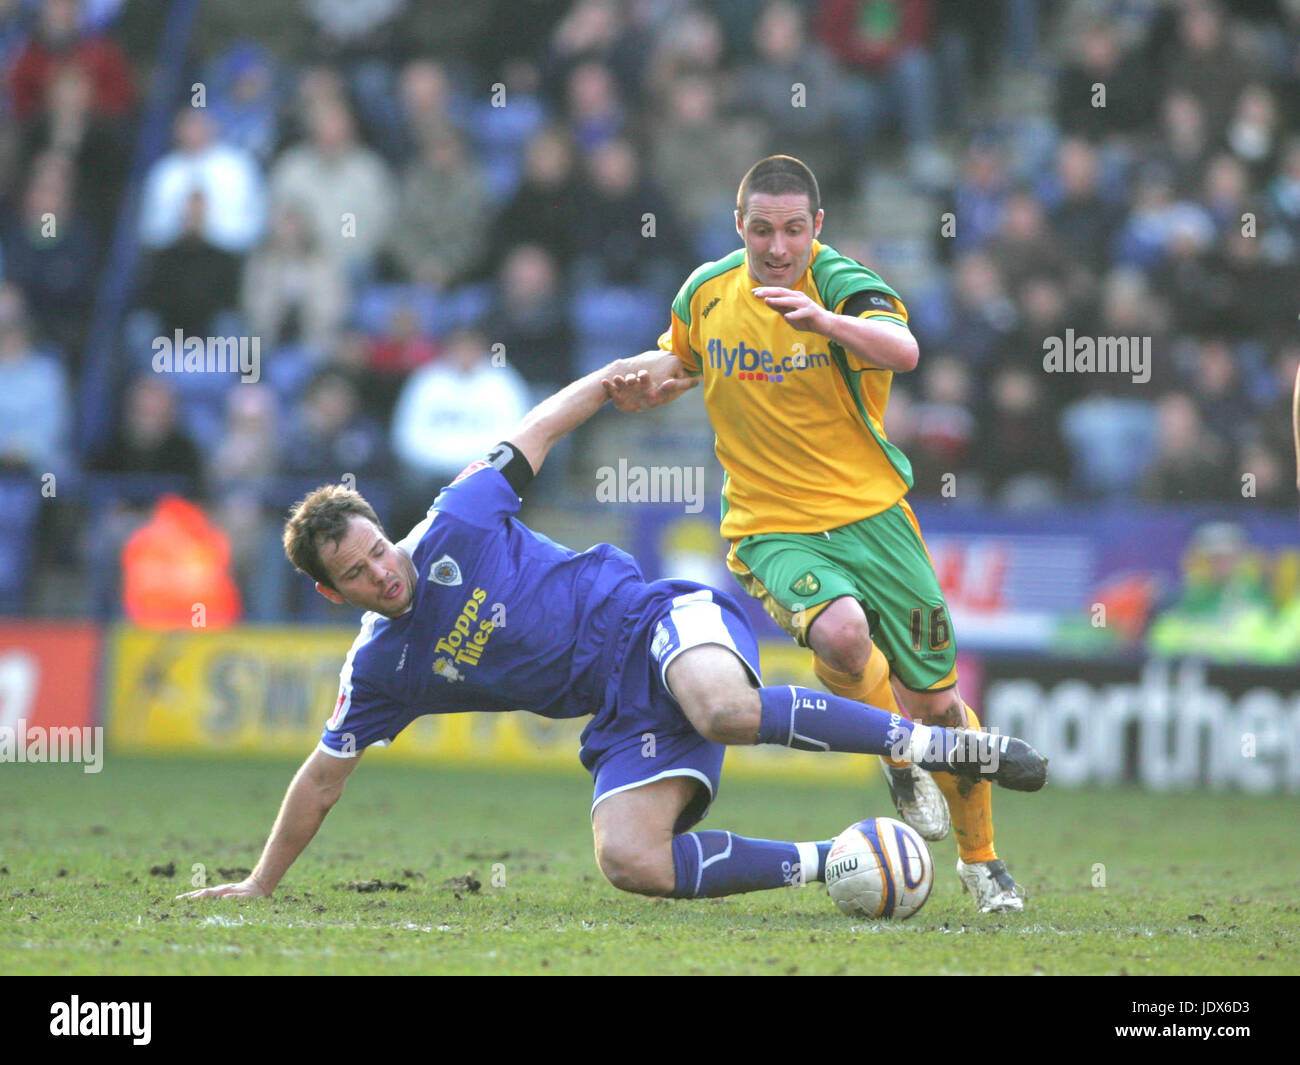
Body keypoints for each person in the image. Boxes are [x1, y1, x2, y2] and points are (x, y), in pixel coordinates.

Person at [179, 353, 1046, 904]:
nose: (382, 570)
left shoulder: (456, 520)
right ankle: (837, 861)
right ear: (338, 594)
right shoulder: (379, 671)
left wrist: (616, 380)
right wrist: (259, 883)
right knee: (630, 860)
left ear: (382, 526)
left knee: (718, 706)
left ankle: (939, 749)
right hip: (619, 714)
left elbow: (539, 426)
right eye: (359, 574)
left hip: (656, 619)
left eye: (376, 547)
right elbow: (323, 777)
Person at [604, 155, 1024, 911]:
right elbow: (679, 359)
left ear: (816, 228)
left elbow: (905, 350)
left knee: (939, 705)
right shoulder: (706, 291)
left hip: (875, 518)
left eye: (793, 230)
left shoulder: (843, 283)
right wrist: (641, 382)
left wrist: (825, 322)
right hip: (771, 525)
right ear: (739, 227)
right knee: (841, 634)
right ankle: (896, 751)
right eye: (761, 229)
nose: (777, 246)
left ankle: (981, 858)